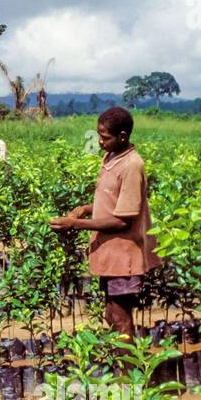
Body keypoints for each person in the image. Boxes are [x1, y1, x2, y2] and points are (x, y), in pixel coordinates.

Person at [50, 106, 160, 339]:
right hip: (111, 256)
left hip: (124, 256)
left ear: (123, 136)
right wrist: (85, 209)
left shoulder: (132, 165)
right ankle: (124, 369)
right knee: (111, 316)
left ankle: (130, 374)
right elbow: (112, 201)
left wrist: (74, 224)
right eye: (99, 135)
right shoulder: (111, 157)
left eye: (105, 137)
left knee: (120, 319)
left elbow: (123, 221)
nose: (100, 142)